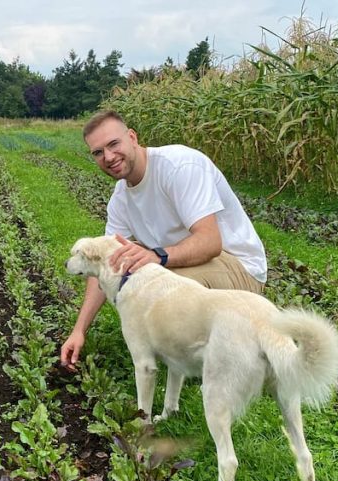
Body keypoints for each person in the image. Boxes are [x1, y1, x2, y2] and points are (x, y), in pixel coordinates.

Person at [60, 110, 267, 371]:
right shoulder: (121, 198)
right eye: (98, 152)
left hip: (238, 267)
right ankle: (182, 348)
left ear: (132, 137)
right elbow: (102, 264)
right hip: (183, 264)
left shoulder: (180, 166)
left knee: (165, 290)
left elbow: (210, 242)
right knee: (129, 283)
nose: (109, 157)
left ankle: (218, 354)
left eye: (114, 144)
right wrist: (79, 330)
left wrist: (158, 256)